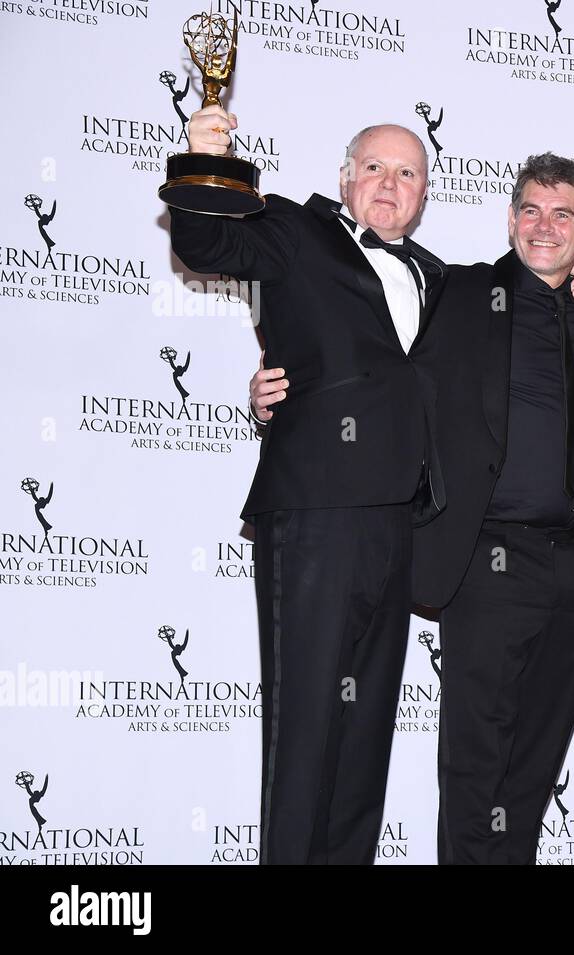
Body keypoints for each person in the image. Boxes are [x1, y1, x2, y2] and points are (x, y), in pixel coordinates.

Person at [253, 153, 574, 865]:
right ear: (510, 219)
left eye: (563, 214)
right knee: (476, 779)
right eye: (531, 211)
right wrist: (277, 391)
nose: (544, 227)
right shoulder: (455, 293)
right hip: (490, 566)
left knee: (529, 784)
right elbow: (357, 346)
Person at [169, 104, 446, 864]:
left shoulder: (443, 279)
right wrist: (206, 162)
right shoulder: (295, 231)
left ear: (423, 195)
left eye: (407, 173)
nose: (389, 184)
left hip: (398, 525)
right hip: (315, 514)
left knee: (364, 742)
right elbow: (205, 238)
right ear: (345, 178)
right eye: (374, 168)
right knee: (304, 732)